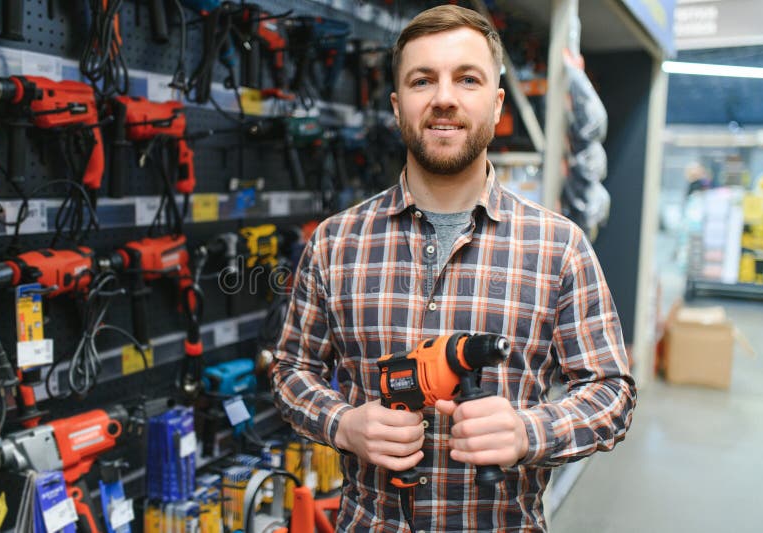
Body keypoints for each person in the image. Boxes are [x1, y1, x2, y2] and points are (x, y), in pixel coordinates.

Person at [272, 5, 636, 532]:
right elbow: (289, 372)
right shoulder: (334, 243)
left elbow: (612, 392)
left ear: (496, 103)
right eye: (423, 81)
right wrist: (345, 424)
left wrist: (530, 432)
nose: (444, 98)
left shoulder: (560, 246)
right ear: (398, 107)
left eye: (467, 79)